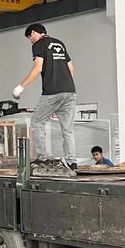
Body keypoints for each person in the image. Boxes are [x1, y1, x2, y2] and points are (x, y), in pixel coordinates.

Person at [12, 23, 77, 170]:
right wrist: (65, 86)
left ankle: (43, 158)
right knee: (68, 130)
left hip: (52, 92)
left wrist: (21, 86)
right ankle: (72, 162)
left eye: (30, 38)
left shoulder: (39, 44)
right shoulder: (59, 43)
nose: (30, 41)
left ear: (34, 33)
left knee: (37, 123)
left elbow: (38, 68)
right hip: (70, 91)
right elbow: (71, 68)